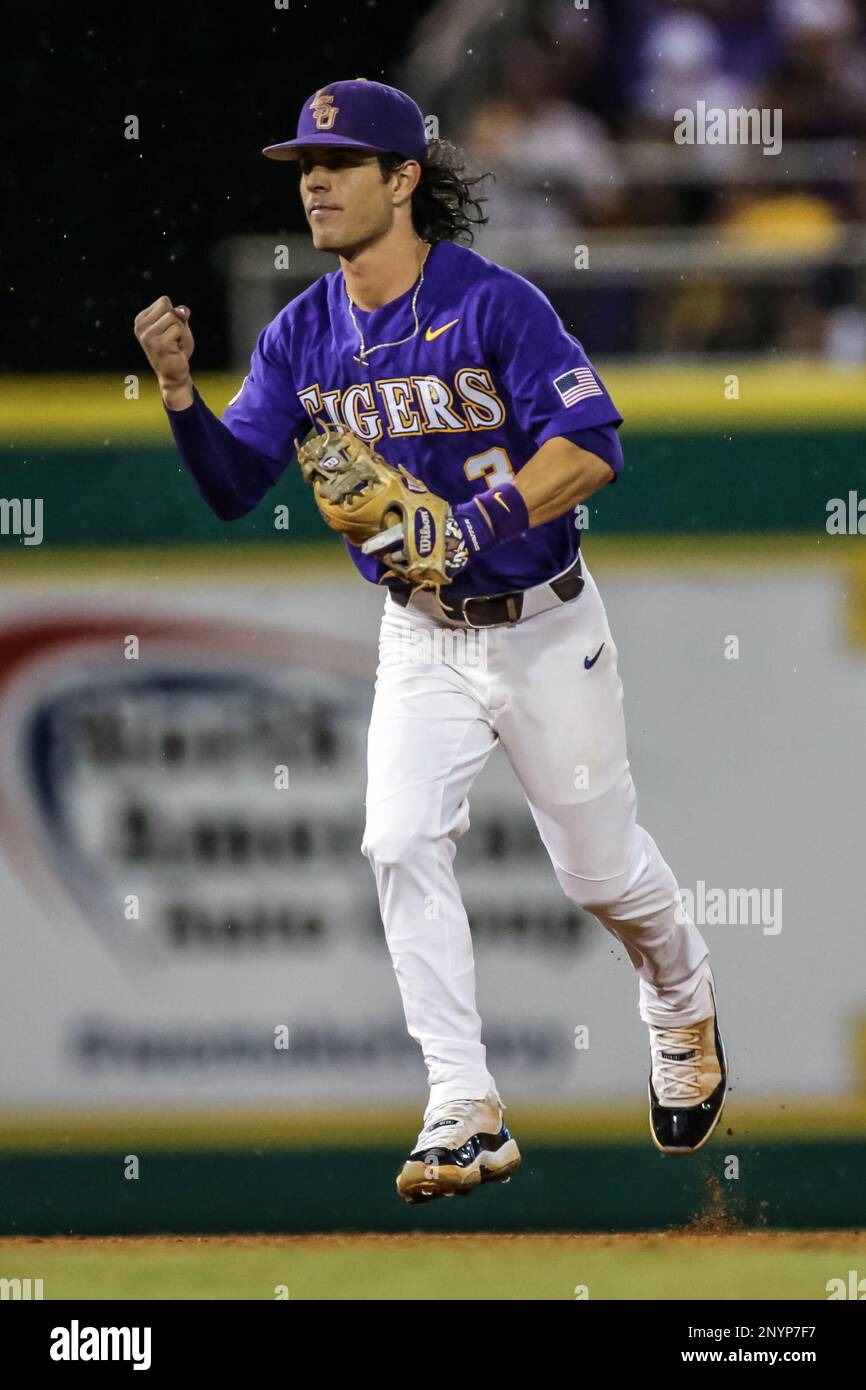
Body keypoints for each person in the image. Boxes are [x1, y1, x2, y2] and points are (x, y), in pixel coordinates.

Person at [133, 79, 727, 1205]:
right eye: (306, 163)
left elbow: (591, 444)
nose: (314, 179)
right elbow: (230, 487)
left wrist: (471, 524)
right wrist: (176, 395)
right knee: (397, 839)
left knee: (597, 873)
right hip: (422, 638)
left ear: (402, 179)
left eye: (341, 161)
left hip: (547, 624)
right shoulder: (300, 335)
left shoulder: (490, 303)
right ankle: (463, 1103)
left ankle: (678, 1000)